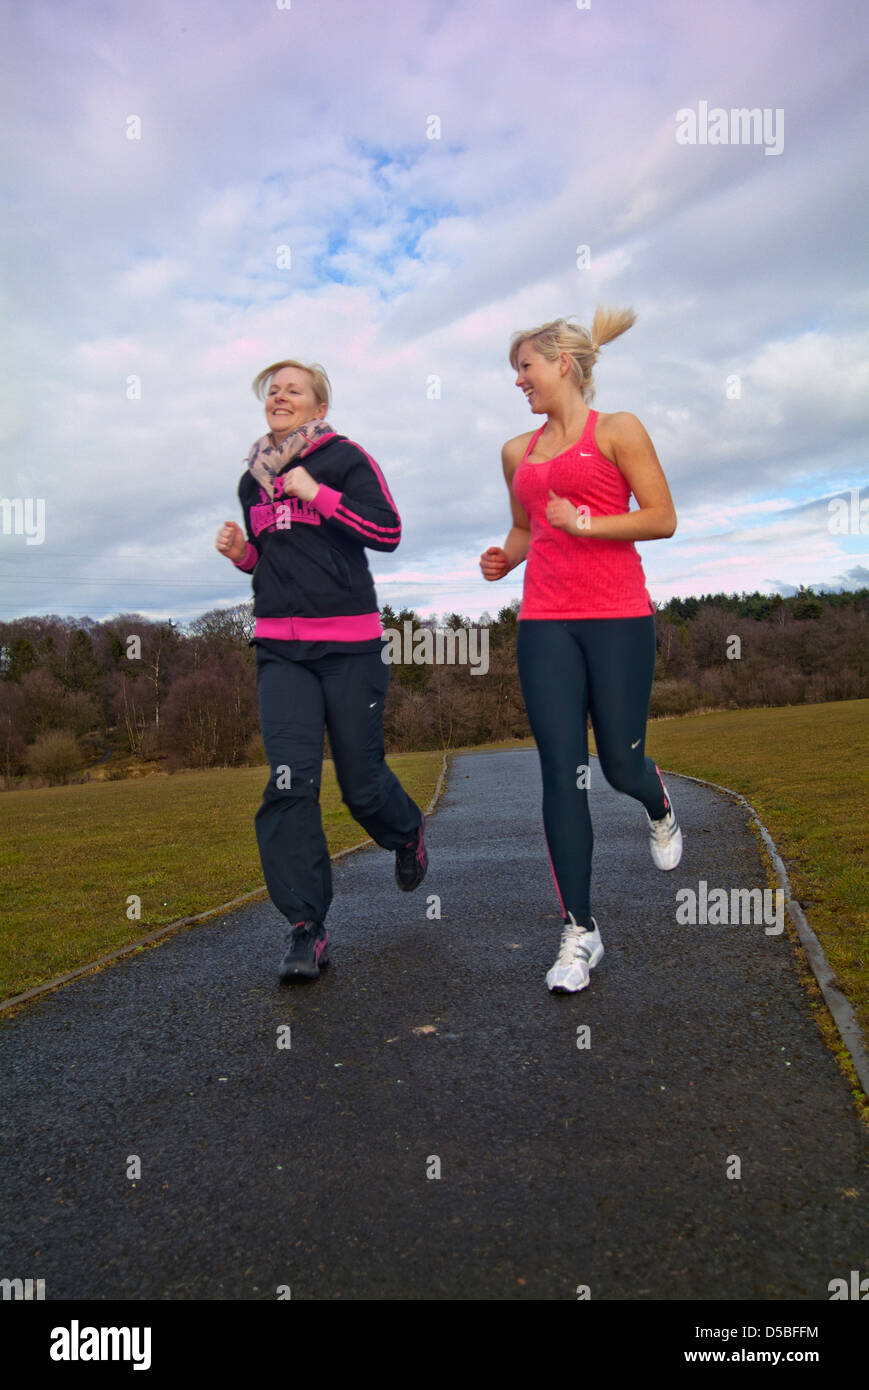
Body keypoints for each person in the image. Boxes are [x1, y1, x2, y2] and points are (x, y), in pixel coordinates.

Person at [480, 309, 681, 994]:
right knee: (561, 771)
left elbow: (661, 517)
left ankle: (654, 800)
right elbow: (523, 528)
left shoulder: (618, 430)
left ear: (561, 363)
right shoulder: (516, 452)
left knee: (618, 764)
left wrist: (586, 521)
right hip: (544, 624)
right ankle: (579, 932)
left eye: (525, 367)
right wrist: (503, 559)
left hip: (617, 617)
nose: (518, 381)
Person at [216, 360, 427, 984]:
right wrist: (242, 555)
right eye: (272, 390)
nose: (280, 396)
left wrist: (316, 491)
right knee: (288, 782)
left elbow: (386, 531)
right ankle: (307, 926)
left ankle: (406, 830)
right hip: (280, 649)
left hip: (350, 646)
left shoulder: (342, 459)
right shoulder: (250, 482)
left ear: (318, 407)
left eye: (293, 390)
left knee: (361, 786)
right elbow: (273, 562)